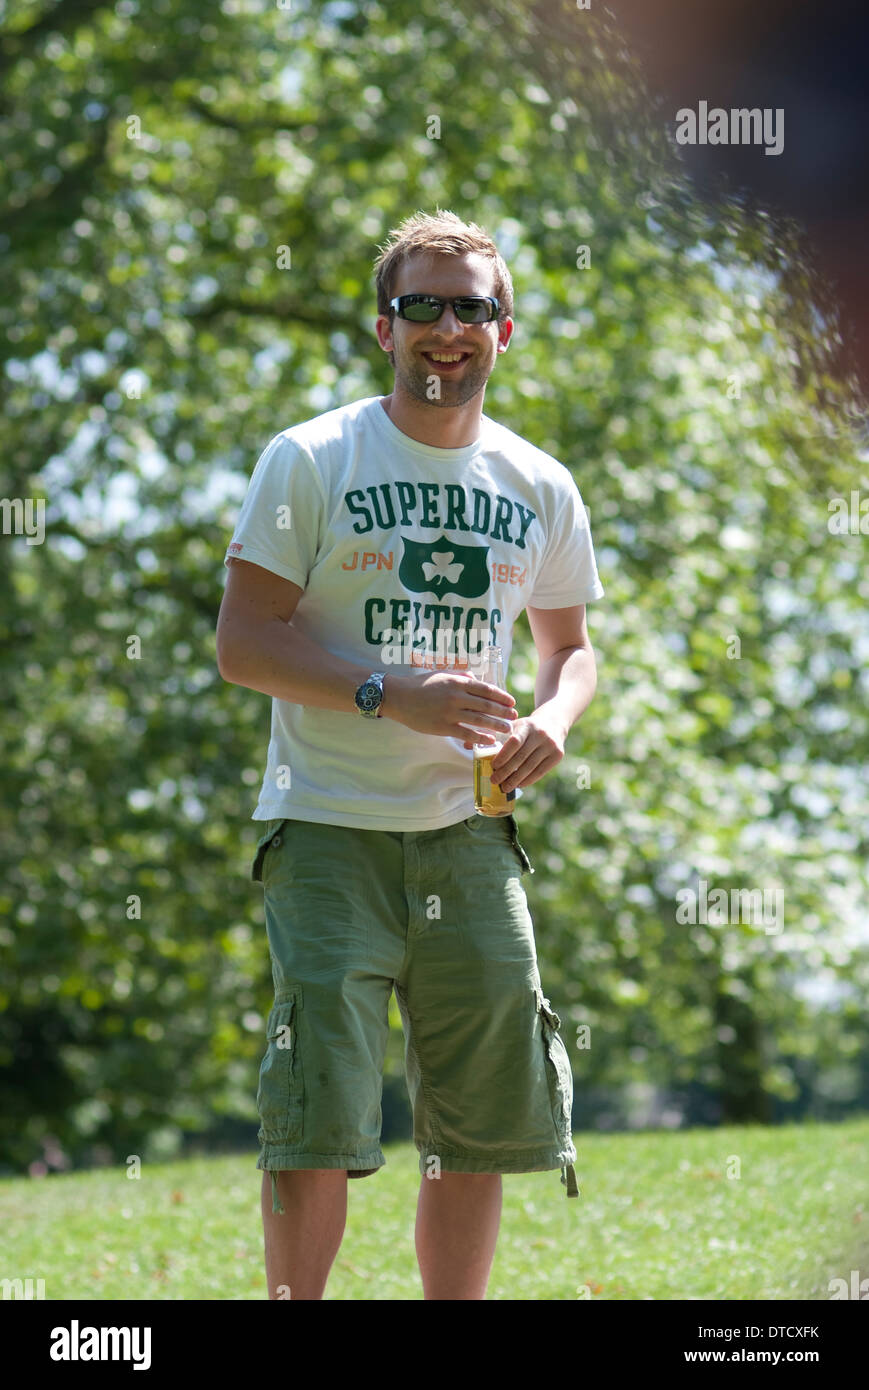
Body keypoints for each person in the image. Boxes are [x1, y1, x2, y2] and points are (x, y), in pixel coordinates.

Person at [216, 209, 604, 1300]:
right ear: (382, 326)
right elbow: (244, 644)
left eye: (469, 307)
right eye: (420, 305)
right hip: (329, 821)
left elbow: (570, 652)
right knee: (316, 1110)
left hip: (472, 836)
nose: (446, 327)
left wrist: (550, 722)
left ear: (503, 330)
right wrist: (396, 693)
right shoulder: (310, 456)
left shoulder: (539, 484)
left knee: (478, 1120)